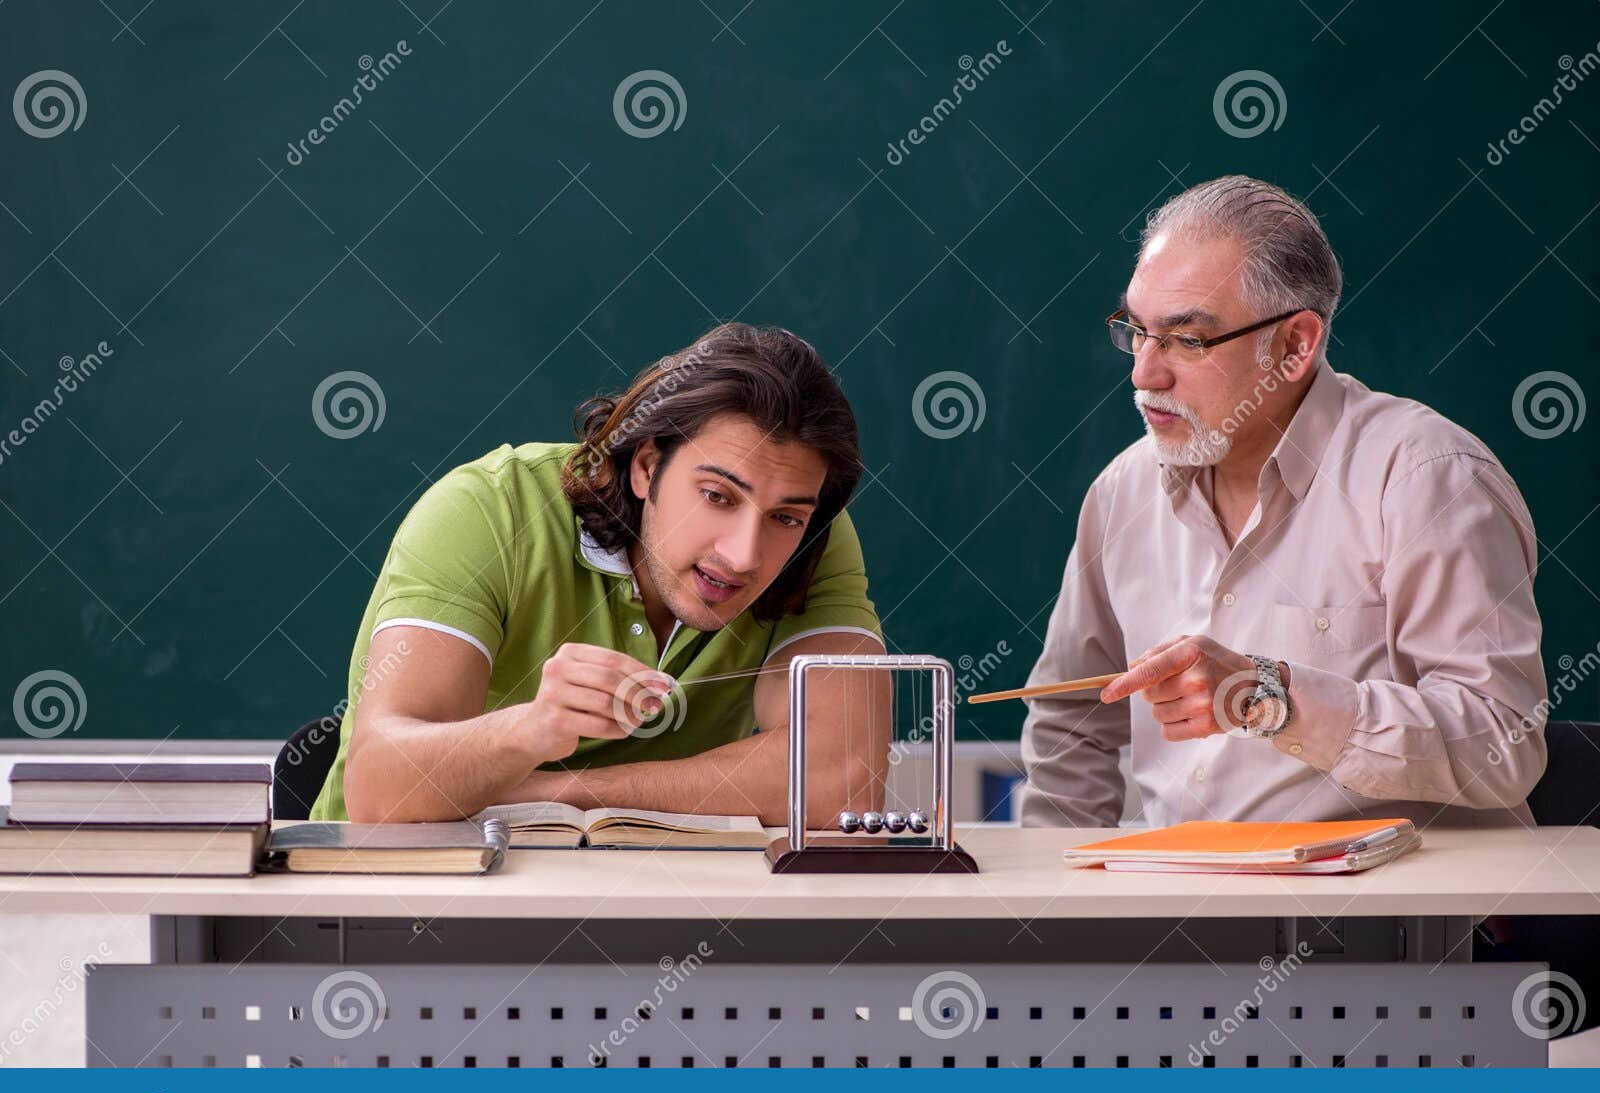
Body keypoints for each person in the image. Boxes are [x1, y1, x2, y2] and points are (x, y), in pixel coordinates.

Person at [1019, 175, 1546, 828]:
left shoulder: (1427, 477)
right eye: (1137, 330)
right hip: (1179, 916)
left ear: (1295, 346)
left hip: (1385, 917)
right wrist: (1058, 910)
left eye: (1188, 340)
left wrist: (1269, 697)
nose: (1143, 375)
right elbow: (1074, 722)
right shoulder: (1122, 490)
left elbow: (1502, 745)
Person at [310, 323, 889, 825]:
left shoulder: (812, 537)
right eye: (716, 496)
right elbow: (383, 791)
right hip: (397, 906)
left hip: (664, 909)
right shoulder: (488, 509)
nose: (743, 554)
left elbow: (842, 777)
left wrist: (559, 796)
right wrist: (531, 728)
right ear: (646, 466)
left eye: (785, 516)